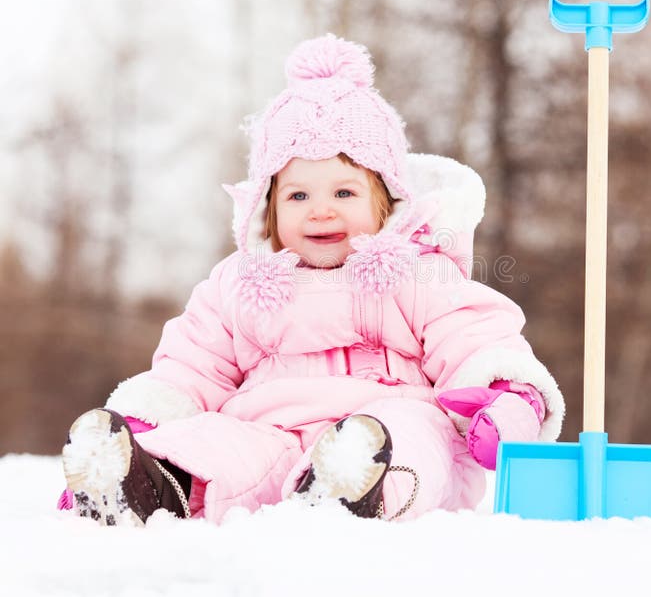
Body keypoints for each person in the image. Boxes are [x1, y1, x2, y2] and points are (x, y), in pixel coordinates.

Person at [59, 34, 565, 526]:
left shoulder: (416, 273)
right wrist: (148, 423)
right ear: (267, 208)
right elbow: (192, 367)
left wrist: (508, 396)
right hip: (267, 433)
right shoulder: (239, 284)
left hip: (387, 424)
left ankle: (353, 488)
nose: (320, 211)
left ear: (384, 200)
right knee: (219, 444)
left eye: (344, 193)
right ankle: (140, 482)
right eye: (298, 197)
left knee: (412, 433)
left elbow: (474, 336)